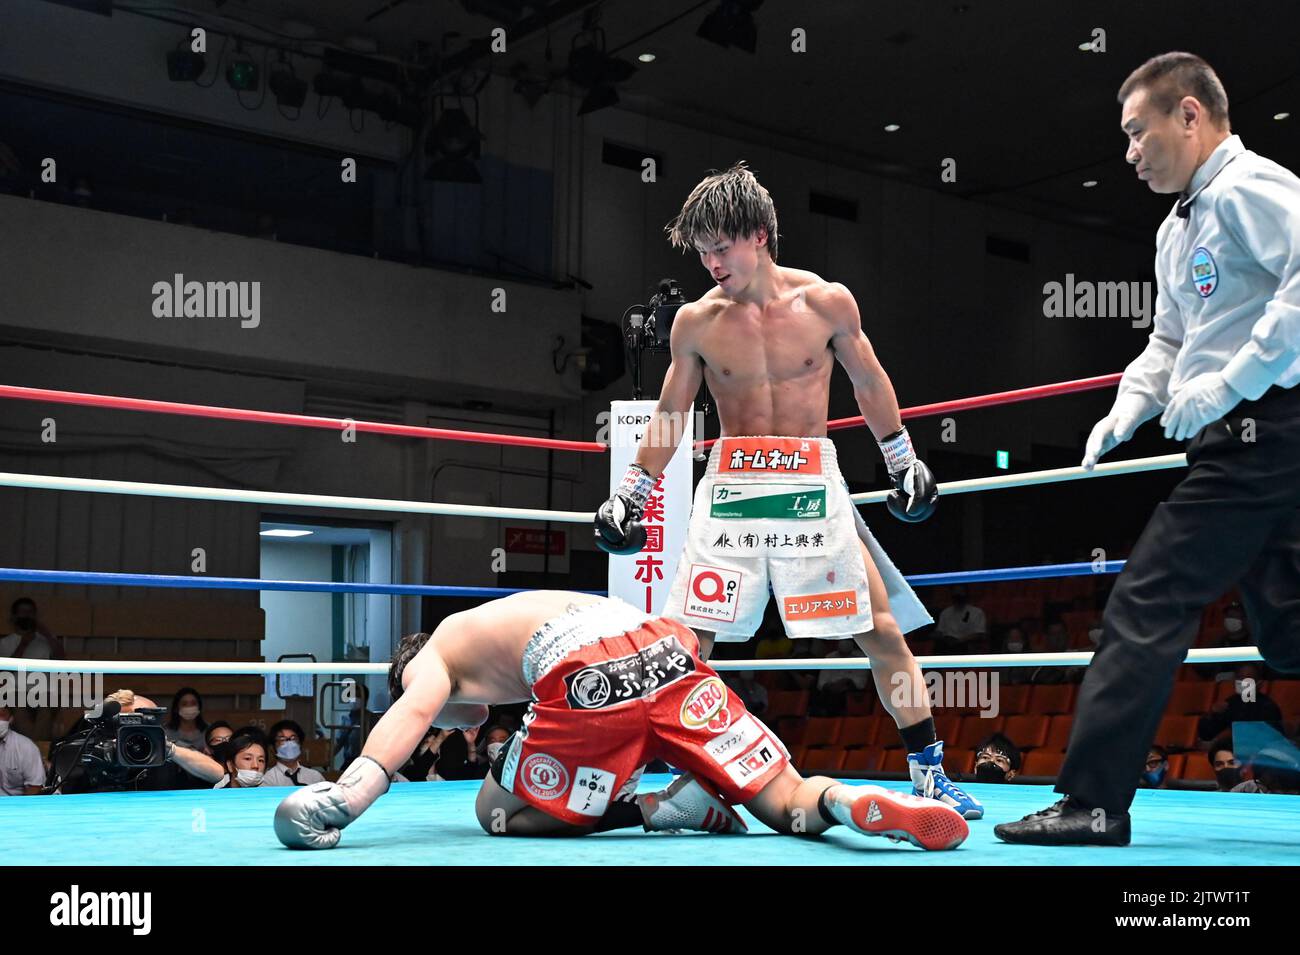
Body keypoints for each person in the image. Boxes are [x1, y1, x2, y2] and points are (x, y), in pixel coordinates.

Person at [592, 162, 980, 819]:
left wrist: (903, 460)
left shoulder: (827, 302)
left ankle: (930, 777)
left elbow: (868, 381)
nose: (712, 263)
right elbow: (672, 412)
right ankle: (683, 786)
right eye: (703, 251)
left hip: (808, 482)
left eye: (722, 247)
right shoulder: (696, 321)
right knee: (688, 644)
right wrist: (631, 494)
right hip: (733, 486)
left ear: (760, 235)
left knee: (880, 630)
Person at [998, 52, 1300, 847]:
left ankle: (1093, 803)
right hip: (1242, 438)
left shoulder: (1249, 187)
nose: (1129, 153)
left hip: (1265, 430)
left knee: (1145, 599)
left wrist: (1231, 382)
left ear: (1190, 115)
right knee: (1288, 628)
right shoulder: (1177, 228)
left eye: (1138, 132)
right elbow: (1168, 340)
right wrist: (1127, 409)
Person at [274, 592, 969, 851]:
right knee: (784, 801)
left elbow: (415, 707)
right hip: (669, 649)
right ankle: (846, 801)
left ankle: (655, 809)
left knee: (496, 811)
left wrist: (348, 795)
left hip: (587, 672)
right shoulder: (503, 621)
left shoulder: (438, 646)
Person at [262, 720, 324, 787]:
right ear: (273, 747)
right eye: (282, 739)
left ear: (300, 744)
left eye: (293, 738)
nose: (289, 743)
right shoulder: (268, 780)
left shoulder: (315, 777)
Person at [0, 705, 45, 795]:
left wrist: (19, 804)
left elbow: (35, 787)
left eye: (1, 715)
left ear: (11, 719)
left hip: (15, 802)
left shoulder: (26, 747)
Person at [164, 687, 208, 751]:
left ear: (199, 707)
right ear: (176, 708)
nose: (189, 707)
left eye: (193, 703)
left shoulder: (209, 731)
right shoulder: (165, 733)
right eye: (184, 704)